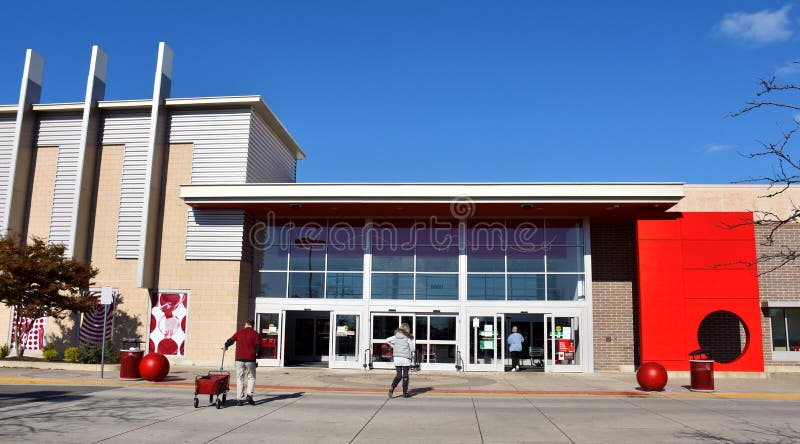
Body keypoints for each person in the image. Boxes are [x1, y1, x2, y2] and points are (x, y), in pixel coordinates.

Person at [224, 319, 262, 406]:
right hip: (250, 359)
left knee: (240, 378)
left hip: (239, 359)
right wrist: (257, 355)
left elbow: (231, 340)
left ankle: (240, 400)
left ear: (246, 324)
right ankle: (249, 395)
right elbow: (258, 347)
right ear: (253, 325)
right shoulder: (255, 334)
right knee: (251, 377)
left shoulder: (239, 332)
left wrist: (226, 346)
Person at [386, 322, 415, 398]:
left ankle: (392, 388)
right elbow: (412, 349)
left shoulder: (395, 336)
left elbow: (387, 340)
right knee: (405, 375)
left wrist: (393, 346)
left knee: (399, 375)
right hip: (406, 358)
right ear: (407, 329)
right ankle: (405, 393)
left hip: (397, 358)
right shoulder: (408, 337)